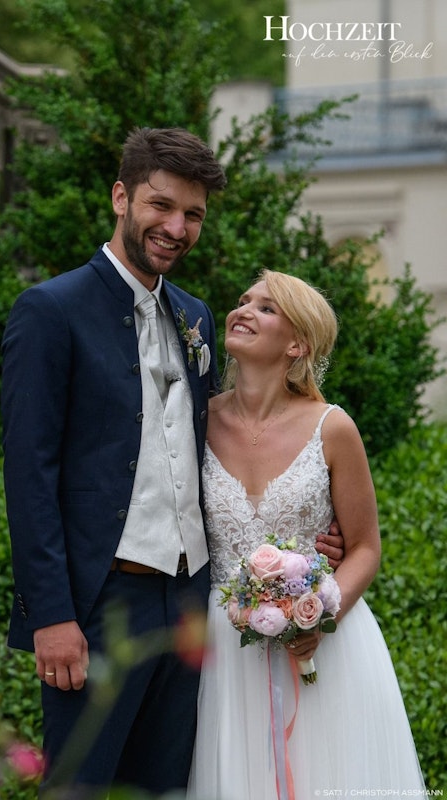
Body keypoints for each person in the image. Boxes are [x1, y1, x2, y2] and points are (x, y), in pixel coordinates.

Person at [1, 128, 342, 798]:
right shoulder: (51, 311)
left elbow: (218, 451)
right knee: (79, 788)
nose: (176, 228)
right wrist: (51, 615)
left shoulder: (196, 317)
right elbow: (29, 472)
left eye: (193, 215)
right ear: (121, 198)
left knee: (166, 789)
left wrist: (308, 538)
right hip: (100, 604)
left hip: (193, 607)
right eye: (161, 205)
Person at [187, 269, 426, 799]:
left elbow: (364, 547)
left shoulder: (332, 428)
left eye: (266, 307)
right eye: (244, 300)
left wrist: (320, 612)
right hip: (223, 647)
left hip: (321, 647)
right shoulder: (195, 421)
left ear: (297, 344)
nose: (243, 310)